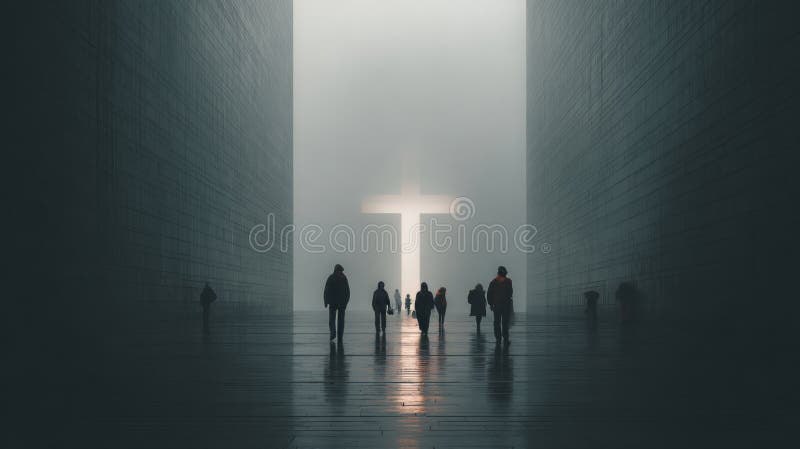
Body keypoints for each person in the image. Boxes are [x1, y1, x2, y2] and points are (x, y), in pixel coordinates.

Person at [324, 264, 350, 343]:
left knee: (336, 320)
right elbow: (327, 290)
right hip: (336, 303)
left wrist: (346, 302)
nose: (340, 272)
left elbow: (347, 292)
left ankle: (337, 335)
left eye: (340, 271)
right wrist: (326, 301)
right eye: (340, 271)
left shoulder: (333, 278)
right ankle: (335, 334)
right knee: (336, 320)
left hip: (338, 303)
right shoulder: (341, 278)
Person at [487, 266, 513, 345]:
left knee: (497, 322)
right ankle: (505, 338)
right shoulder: (508, 281)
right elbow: (510, 293)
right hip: (506, 305)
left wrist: (491, 304)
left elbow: (489, 294)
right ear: (505, 273)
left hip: (497, 305)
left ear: (498, 273)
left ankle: (498, 339)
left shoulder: (493, 282)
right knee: (505, 322)